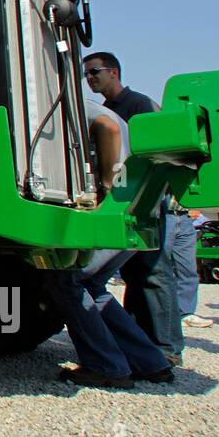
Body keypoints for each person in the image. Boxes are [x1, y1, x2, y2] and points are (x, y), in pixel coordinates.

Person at [48, 99, 173, 388]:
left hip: (118, 211)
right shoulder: (103, 109)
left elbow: (108, 129)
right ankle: (151, 362)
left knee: (65, 279)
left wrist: (106, 190)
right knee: (91, 285)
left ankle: (107, 367)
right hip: (139, 212)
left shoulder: (84, 107)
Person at [84, 51, 184, 365]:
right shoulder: (106, 109)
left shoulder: (140, 105)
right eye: (86, 73)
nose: (90, 78)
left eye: (95, 71)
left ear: (114, 72)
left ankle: (167, 346)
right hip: (123, 203)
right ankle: (142, 340)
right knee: (134, 274)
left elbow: (162, 150)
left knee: (154, 272)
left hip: (144, 201)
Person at [171, 204, 213, 328]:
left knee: (188, 269)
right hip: (163, 216)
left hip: (184, 217)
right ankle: (159, 316)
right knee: (158, 269)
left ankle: (185, 313)